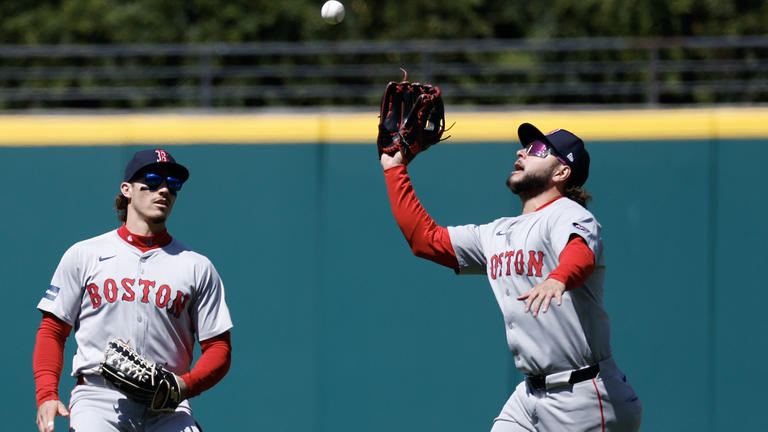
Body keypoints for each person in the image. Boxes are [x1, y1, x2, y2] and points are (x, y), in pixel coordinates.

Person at [379, 123, 642, 431]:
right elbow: (425, 240)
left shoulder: (569, 214)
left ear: (562, 173)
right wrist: (394, 169)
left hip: (583, 396)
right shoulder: (497, 232)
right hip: (530, 394)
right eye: (525, 147)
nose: (522, 152)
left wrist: (558, 278)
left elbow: (580, 253)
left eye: (538, 150)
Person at [33, 149, 233, 432]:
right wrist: (47, 395)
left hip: (168, 405)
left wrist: (185, 386)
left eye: (172, 184)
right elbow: (52, 331)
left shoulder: (196, 266)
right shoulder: (85, 254)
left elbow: (219, 347)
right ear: (126, 189)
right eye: (152, 180)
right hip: (98, 398)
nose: (163, 189)